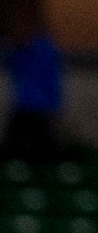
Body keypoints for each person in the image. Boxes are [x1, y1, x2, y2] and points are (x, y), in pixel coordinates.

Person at [2, 22, 63, 162]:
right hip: (38, 103)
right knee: (38, 136)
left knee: (25, 136)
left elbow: (12, 63)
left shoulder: (35, 50)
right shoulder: (43, 49)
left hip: (31, 102)